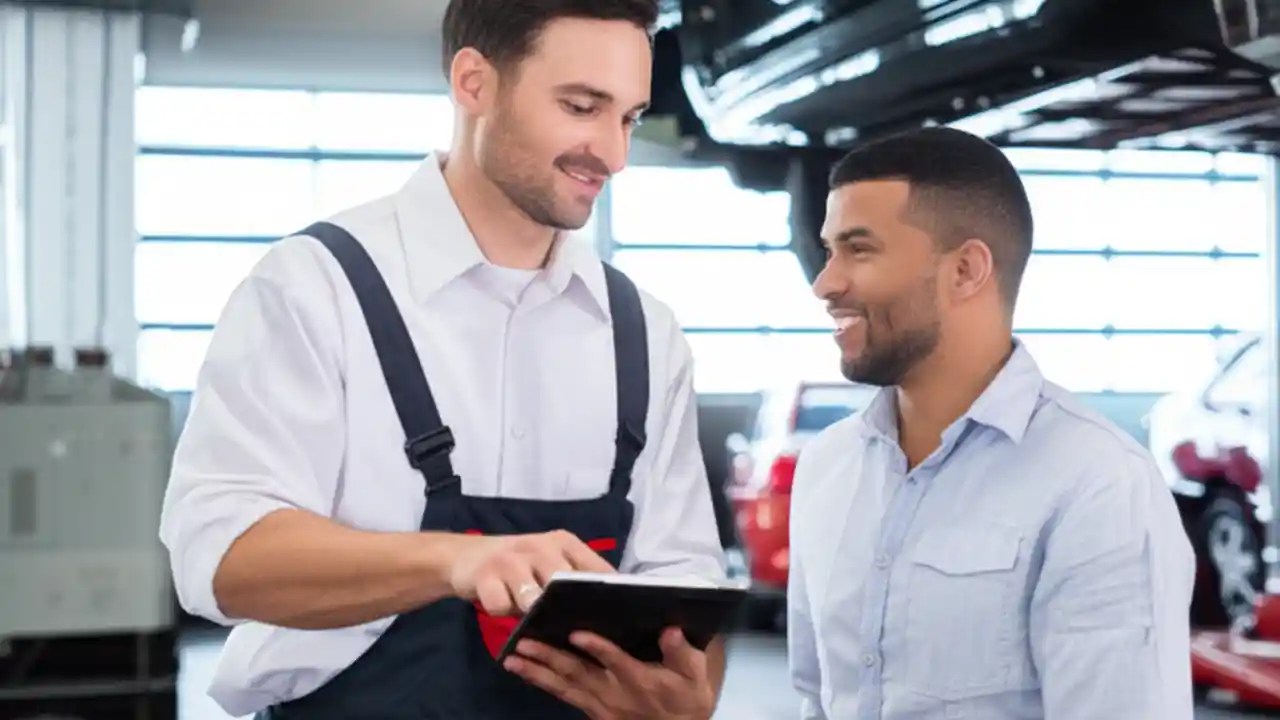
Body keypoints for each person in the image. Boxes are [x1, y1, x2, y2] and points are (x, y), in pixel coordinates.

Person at [157, 1, 728, 718]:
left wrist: (685, 693)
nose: (613, 154)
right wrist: (455, 560)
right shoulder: (314, 288)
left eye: (630, 118)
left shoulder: (645, 332)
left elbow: (688, 589)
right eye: (582, 106)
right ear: (473, 83)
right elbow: (222, 560)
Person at [786, 127, 1196, 719]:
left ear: (965, 271)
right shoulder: (828, 466)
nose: (826, 283)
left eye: (860, 249)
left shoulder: (1098, 485)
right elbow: (816, 699)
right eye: (829, 251)